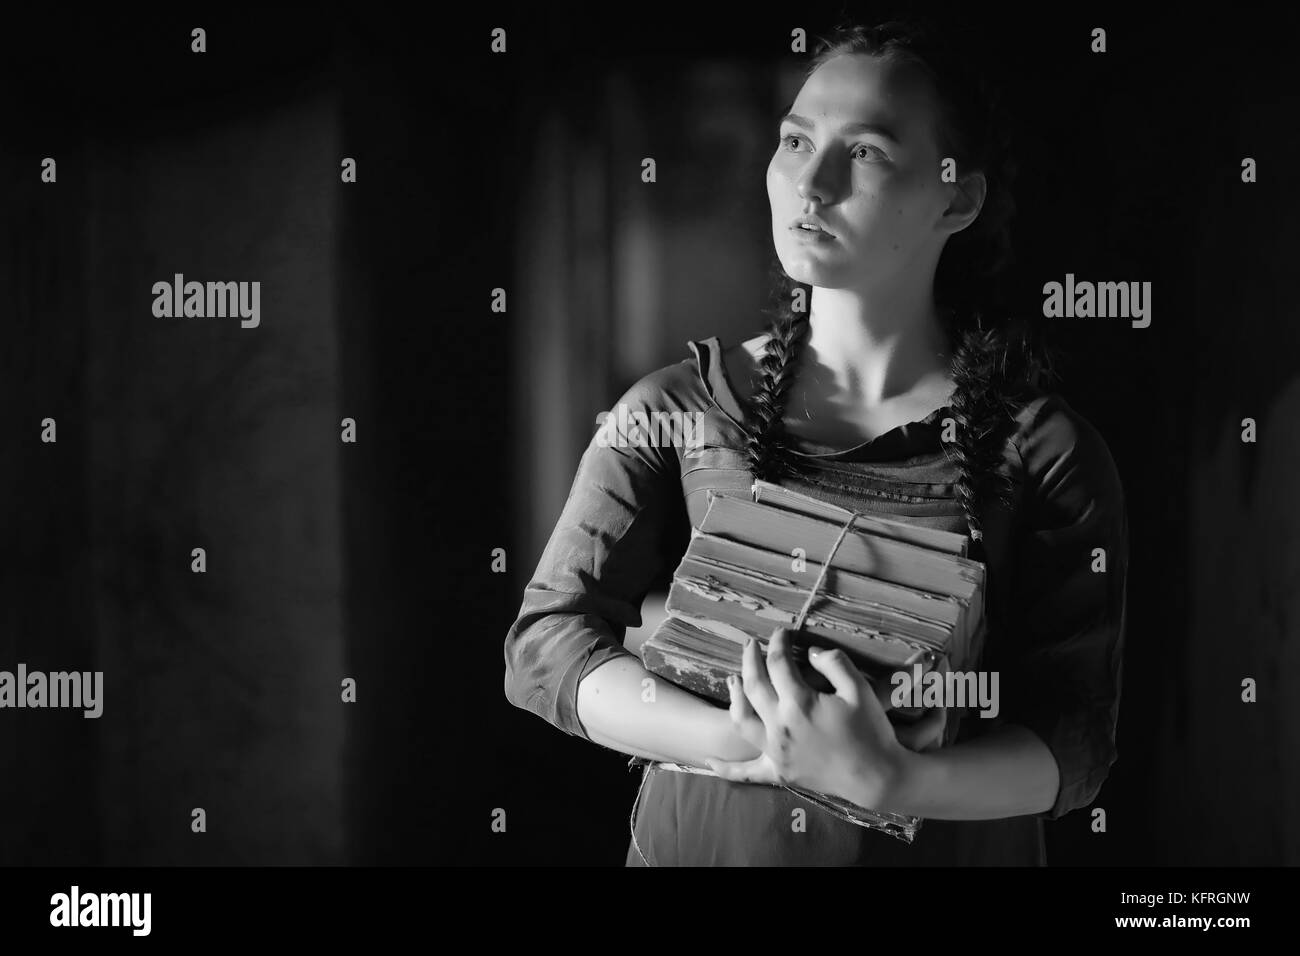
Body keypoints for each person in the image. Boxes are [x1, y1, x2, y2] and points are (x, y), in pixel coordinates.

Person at [503, 18, 1129, 865]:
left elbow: (1076, 744)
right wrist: (748, 747)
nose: (811, 182)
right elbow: (545, 646)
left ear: (958, 198)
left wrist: (893, 781)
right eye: (796, 141)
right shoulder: (674, 409)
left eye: (865, 152)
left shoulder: (1046, 450)